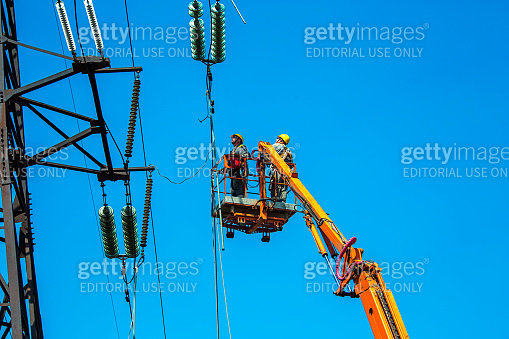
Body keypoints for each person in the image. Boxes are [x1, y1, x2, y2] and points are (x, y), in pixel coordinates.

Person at [269, 134, 293, 202]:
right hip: (286, 172)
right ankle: (282, 201)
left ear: (281, 140)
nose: (276, 140)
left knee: (275, 185)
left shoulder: (276, 146)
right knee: (283, 187)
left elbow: (267, 154)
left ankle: (275, 200)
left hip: (277, 171)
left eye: (278, 138)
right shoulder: (288, 150)